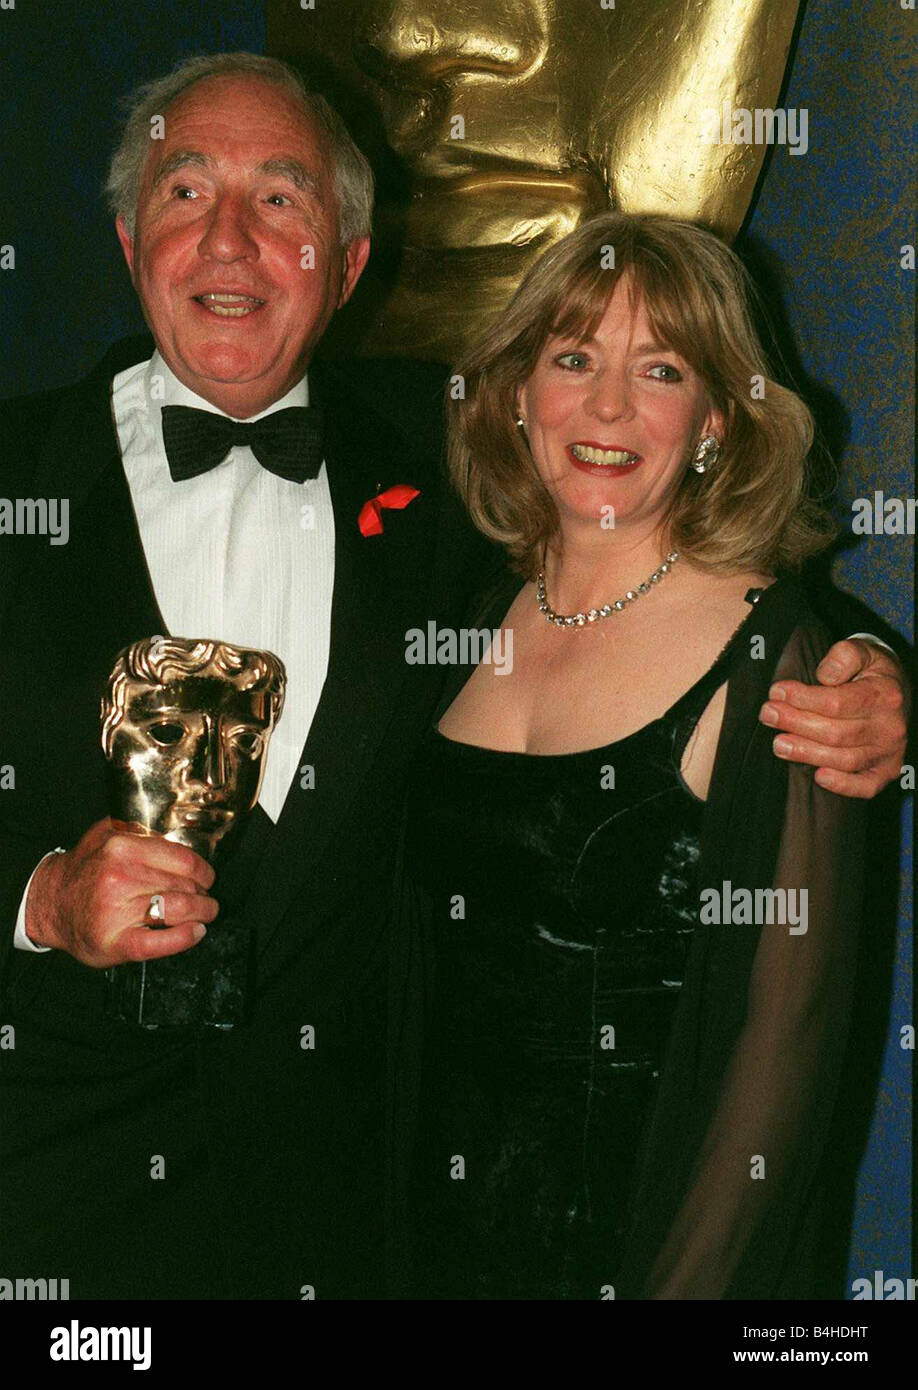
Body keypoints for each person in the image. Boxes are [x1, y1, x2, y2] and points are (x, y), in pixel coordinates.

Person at [0, 55, 906, 1301]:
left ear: (350, 261)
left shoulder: (439, 467)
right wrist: (41, 900)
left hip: (358, 1231)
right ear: (126, 234)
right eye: (185, 189)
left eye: (282, 200)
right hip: (54, 1216)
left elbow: (667, 571)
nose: (230, 240)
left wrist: (883, 676)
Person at [402, 212, 887, 1300]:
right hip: (419, 1235)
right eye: (573, 357)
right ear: (517, 393)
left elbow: (787, 1055)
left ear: (716, 419)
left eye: (659, 369)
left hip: (637, 1251)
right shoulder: (458, 615)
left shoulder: (780, 659)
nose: (608, 405)